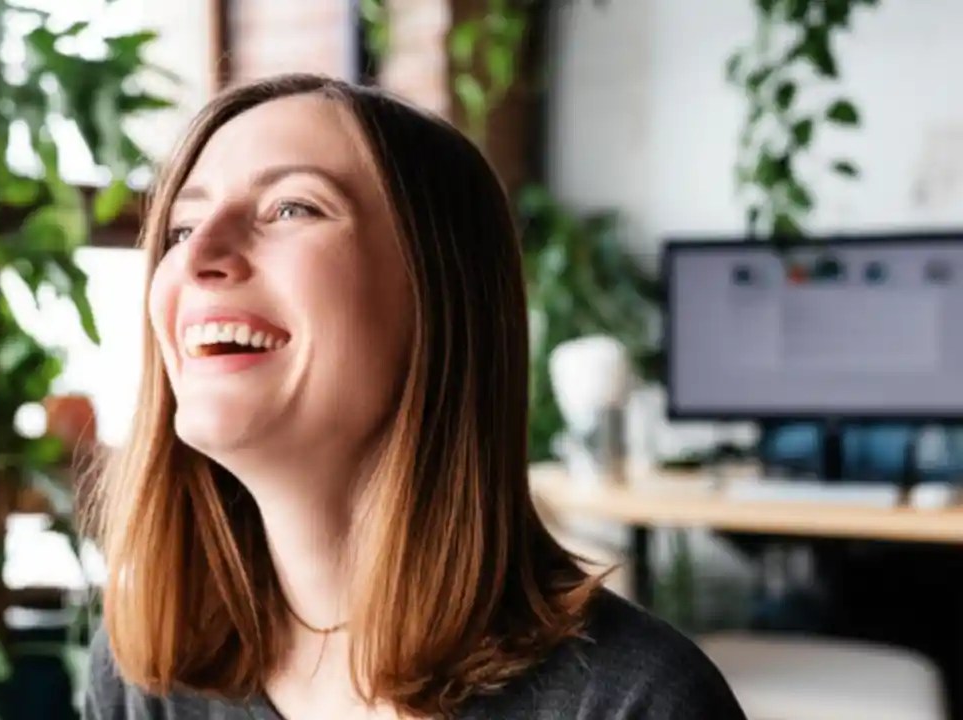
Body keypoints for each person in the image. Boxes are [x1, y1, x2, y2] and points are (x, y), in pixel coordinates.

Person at [85, 74, 746, 719]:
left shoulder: (635, 702)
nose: (199, 253)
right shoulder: (146, 675)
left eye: (292, 207)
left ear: (441, 298)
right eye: (179, 228)